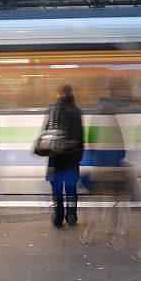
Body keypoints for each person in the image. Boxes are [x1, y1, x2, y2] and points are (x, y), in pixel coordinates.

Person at [44, 84, 83, 228]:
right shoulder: (76, 111)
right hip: (72, 158)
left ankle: (58, 217)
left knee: (57, 188)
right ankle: (72, 216)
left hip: (56, 157)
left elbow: (45, 133)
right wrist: (79, 157)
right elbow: (80, 137)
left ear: (59, 94)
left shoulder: (53, 110)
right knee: (71, 188)